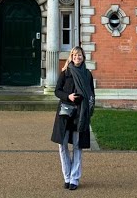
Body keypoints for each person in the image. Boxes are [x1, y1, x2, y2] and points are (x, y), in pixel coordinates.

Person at [51, 45, 95, 190]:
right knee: (62, 145)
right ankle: (67, 176)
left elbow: (92, 95)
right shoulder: (65, 72)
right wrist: (68, 96)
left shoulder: (87, 74)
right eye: (75, 55)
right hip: (65, 112)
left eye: (80, 55)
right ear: (71, 57)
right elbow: (57, 91)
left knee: (77, 146)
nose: (77, 57)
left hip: (80, 114)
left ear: (83, 57)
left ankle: (74, 178)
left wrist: (89, 107)